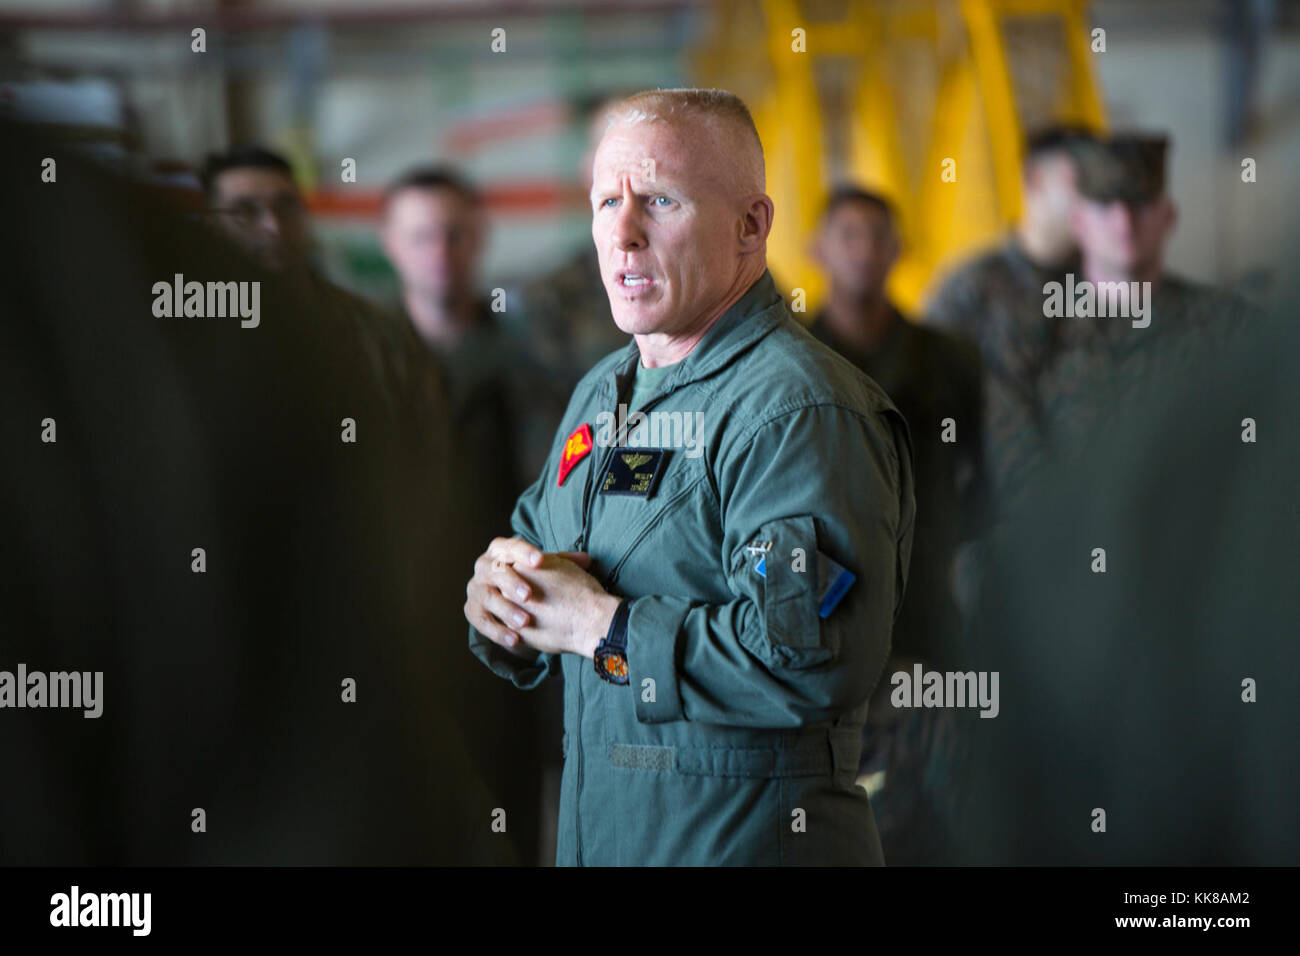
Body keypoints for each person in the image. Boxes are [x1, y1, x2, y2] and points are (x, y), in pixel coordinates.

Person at [462, 88, 916, 866]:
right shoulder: (603, 392)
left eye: (661, 201)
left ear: (750, 225)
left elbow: (808, 660)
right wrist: (496, 602)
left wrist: (599, 629)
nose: (623, 234)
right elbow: (536, 555)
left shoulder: (799, 412)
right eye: (608, 201)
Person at [807, 186, 983, 862]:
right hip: (829, 613)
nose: (863, 251)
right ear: (817, 250)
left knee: (940, 794)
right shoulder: (791, 362)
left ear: (901, 249)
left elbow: (986, 480)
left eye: (877, 235)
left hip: (930, 610)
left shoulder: (947, 361)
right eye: (846, 235)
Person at [380, 164, 546, 864]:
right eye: (421, 236)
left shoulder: (531, 359)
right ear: (391, 244)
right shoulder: (360, 360)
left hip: (508, 650)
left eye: (454, 234)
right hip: (390, 653)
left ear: (479, 239)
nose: (439, 252)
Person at [993, 133, 1254, 503]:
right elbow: (1014, 472)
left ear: (1168, 217)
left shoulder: (1229, 323)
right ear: (1079, 222)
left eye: (1140, 205)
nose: (1124, 222)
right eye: (1105, 206)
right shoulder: (1027, 328)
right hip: (1065, 546)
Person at [923, 126, 1094, 506]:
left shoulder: (1111, 288)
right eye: (1080, 178)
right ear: (1034, 179)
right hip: (990, 530)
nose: (1094, 194)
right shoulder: (969, 292)